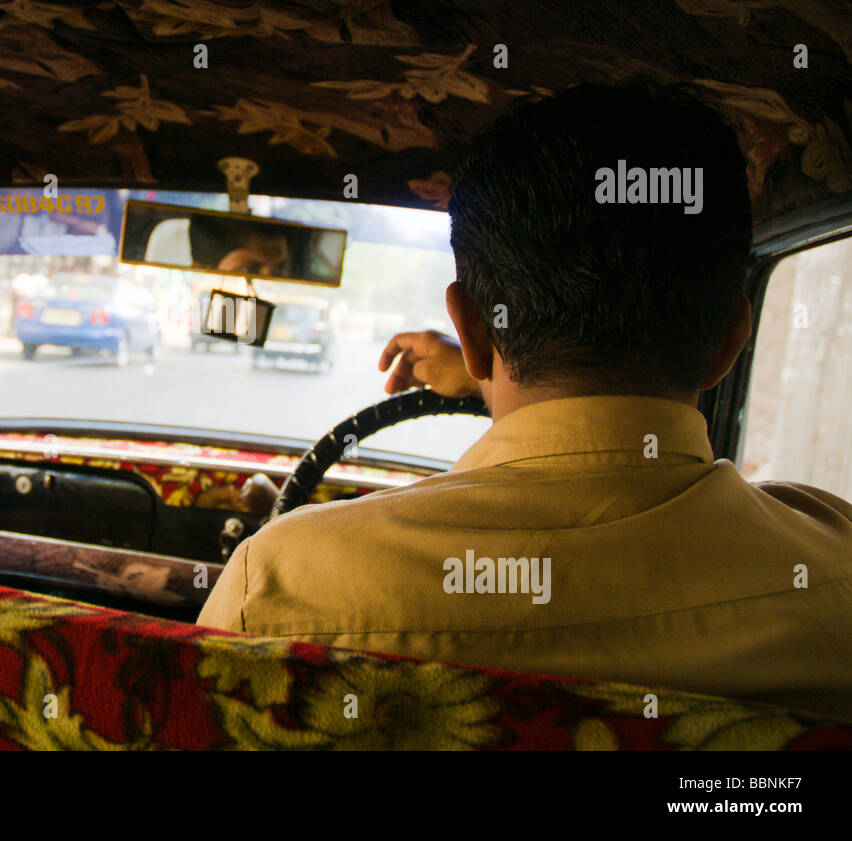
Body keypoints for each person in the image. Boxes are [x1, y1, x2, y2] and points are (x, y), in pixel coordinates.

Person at [197, 81, 852, 720]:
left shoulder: (282, 584)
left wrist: (492, 370)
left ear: (471, 328)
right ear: (732, 339)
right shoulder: (834, 575)